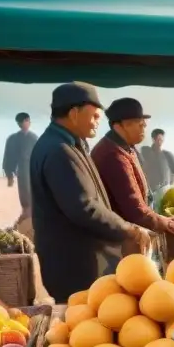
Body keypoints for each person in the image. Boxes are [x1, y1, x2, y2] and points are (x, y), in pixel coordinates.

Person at [29, 83, 150, 301]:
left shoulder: (70, 144)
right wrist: (128, 230)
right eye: (93, 116)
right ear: (74, 113)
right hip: (74, 265)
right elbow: (84, 208)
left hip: (76, 262)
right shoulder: (59, 151)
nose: (97, 122)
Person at [91, 99, 174, 255]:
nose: (144, 126)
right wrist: (164, 222)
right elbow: (134, 210)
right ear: (119, 126)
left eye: (143, 122)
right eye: (138, 122)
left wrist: (159, 217)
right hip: (123, 243)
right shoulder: (112, 156)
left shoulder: (126, 148)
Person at [3, 112, 38, 219]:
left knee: (31, 197)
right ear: (24, 122)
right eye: (28, 120)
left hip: (31, 169)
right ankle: (27, 216)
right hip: (23, 169)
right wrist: (9, 174)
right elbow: (8, 156)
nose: (29, 122)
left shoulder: (33, 137)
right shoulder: (14, 138)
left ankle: (29, 216)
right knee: (26, 197)